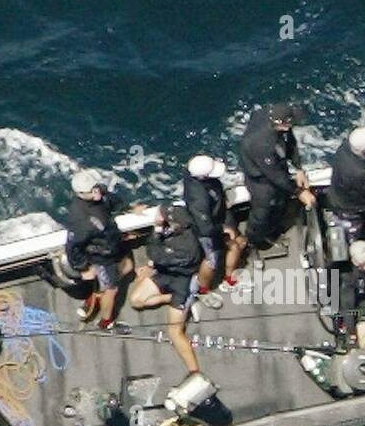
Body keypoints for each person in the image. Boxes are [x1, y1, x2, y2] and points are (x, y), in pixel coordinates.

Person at [127, 205, 204, 375]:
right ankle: (170, 299)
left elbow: (155, 254)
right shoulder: (184, 228)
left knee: (174, 332)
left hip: (182, 282)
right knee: (136, 300)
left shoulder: (187, 248)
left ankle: (194, 371)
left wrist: (157, 230)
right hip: (166, 273)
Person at [65, 169, 146, 329]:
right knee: (112, 288)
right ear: (81, 193)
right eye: (92, 191)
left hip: (113, 245)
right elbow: (72, 246)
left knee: (128, 266)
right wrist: (83, 268)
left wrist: (129, 208)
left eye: (96, 187)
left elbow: (113, 202)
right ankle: (106, 322)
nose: (97, 192)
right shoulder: (80, 219)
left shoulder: (99, 194)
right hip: (102, 257)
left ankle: (96, 295)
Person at [238, 103, 315, 251]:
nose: (290, 127)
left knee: (280, 202)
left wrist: (299, 169)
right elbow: (275, 176)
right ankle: (255, 240)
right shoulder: (263, 144)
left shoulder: (275, 118)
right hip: (262, 181)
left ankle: (274, 227)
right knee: (263, 212)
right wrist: (299, 192)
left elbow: (290, 142)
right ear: (281, 123)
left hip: (275, 168)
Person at [182, 154, 246, 294]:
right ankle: (204, 289)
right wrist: (223, 229)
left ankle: (226, 278)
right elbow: (205, 228)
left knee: (238, 243)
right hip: (208, 230)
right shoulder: (199, 199)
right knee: (212, 260)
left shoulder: (191, 174)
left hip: (215, 218)